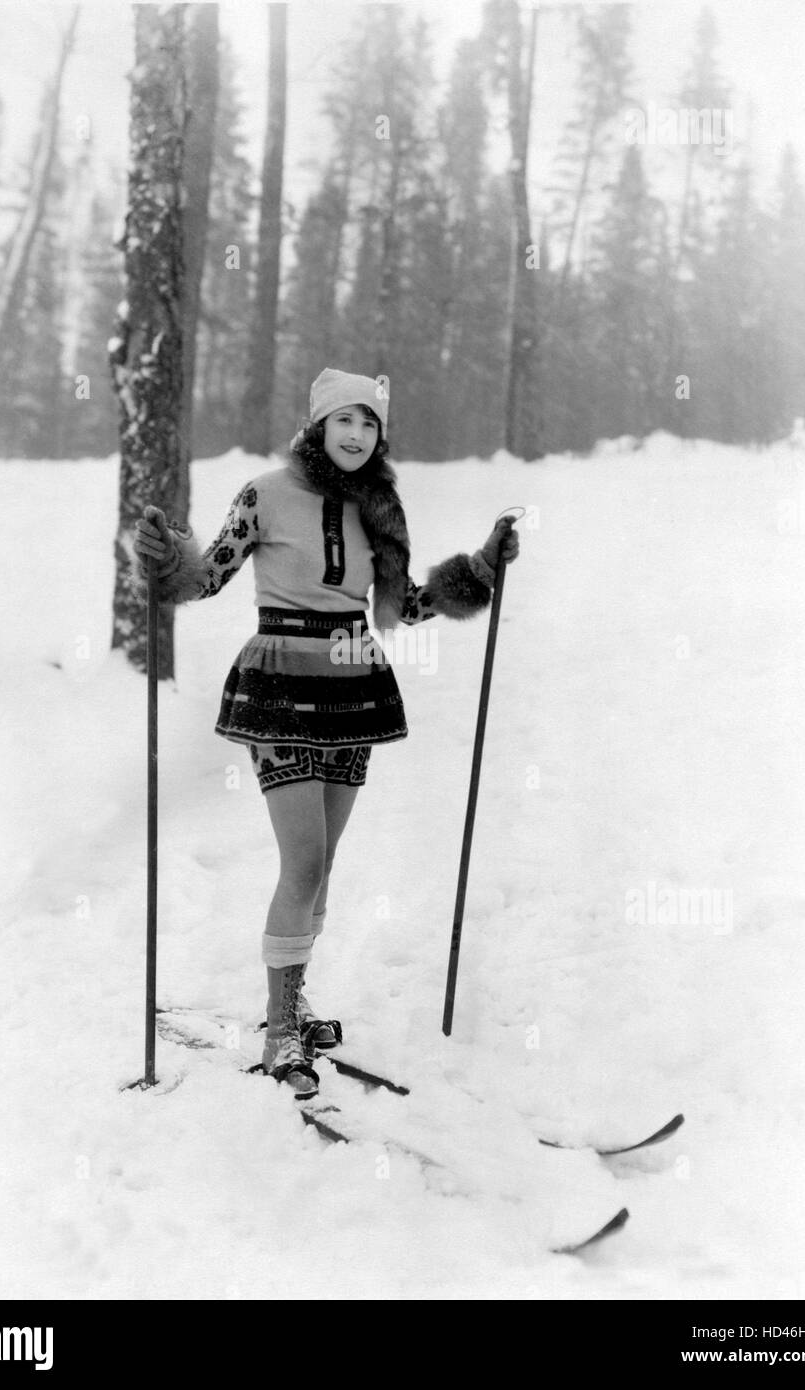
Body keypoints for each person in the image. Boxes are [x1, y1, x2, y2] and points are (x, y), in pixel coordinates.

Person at [133, 368, 519, 1099]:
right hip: (279, 686)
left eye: (369, 424)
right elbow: (205, 577)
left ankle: (294, 995)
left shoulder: (380, 506)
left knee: (325, 867)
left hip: (353, 689)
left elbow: (403, 604)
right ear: (317, 426)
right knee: (302, 863)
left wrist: (478, 570)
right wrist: (165, 561)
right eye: (344, 421)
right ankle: (280, 1027)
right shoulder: (265, 494)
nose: (356, 435)